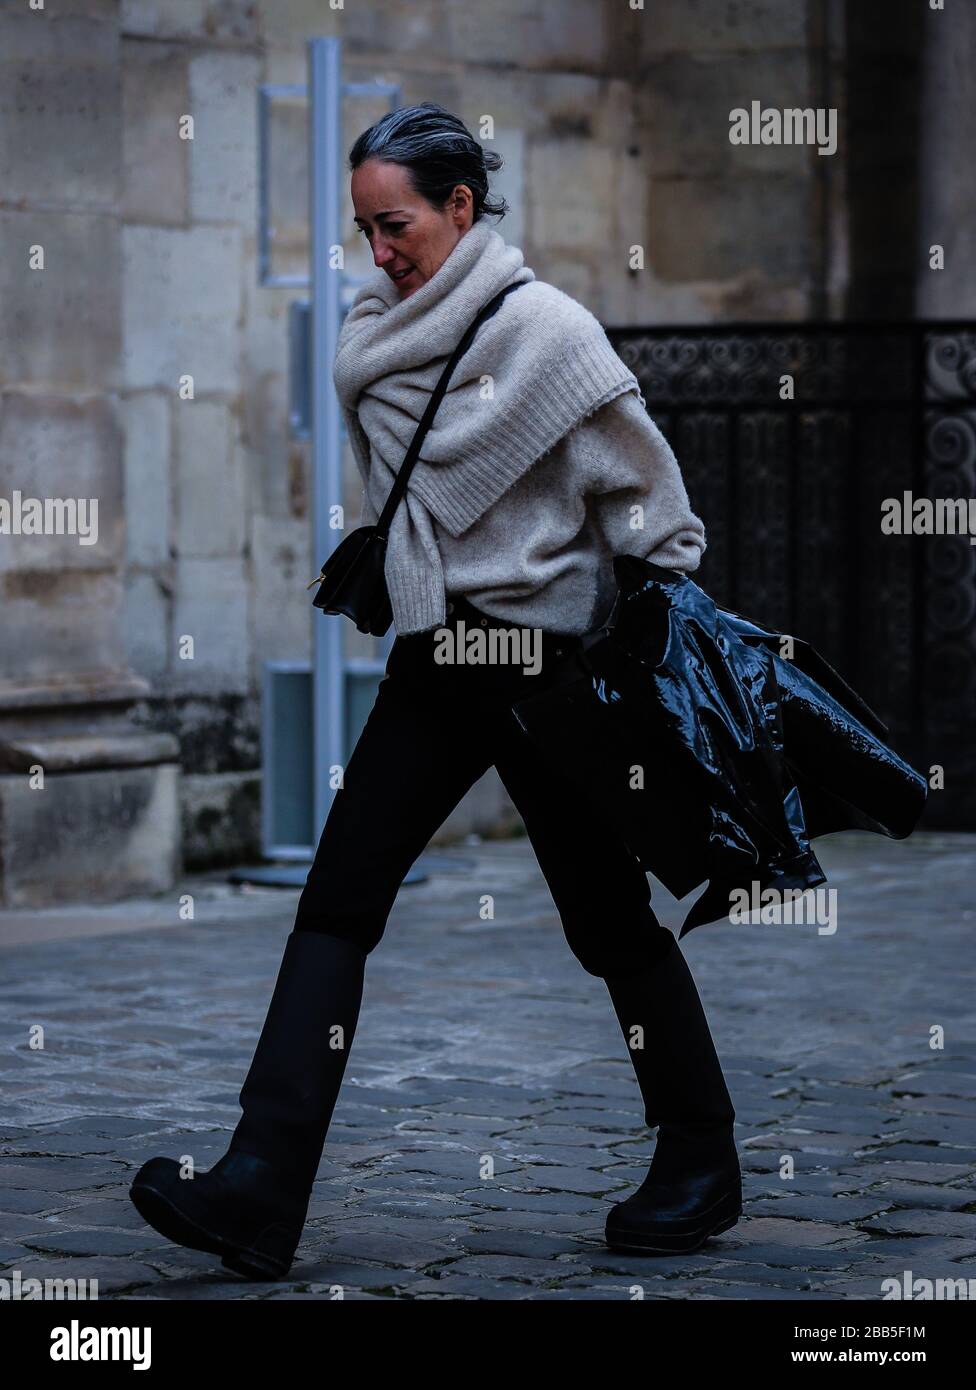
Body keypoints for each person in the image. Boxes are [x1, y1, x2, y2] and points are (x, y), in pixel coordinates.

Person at [129, 102, 741, 1280]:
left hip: (536, 671)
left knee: (605, 923)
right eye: (365, 228)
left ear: (463, 207)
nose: (380, 252)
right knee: (338, 899)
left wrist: (642, 643)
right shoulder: (376, 331)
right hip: (432, 659)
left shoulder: (552, 340)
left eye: (397, 224)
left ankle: (700, 1157)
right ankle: (260, 1182)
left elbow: (655, 514)